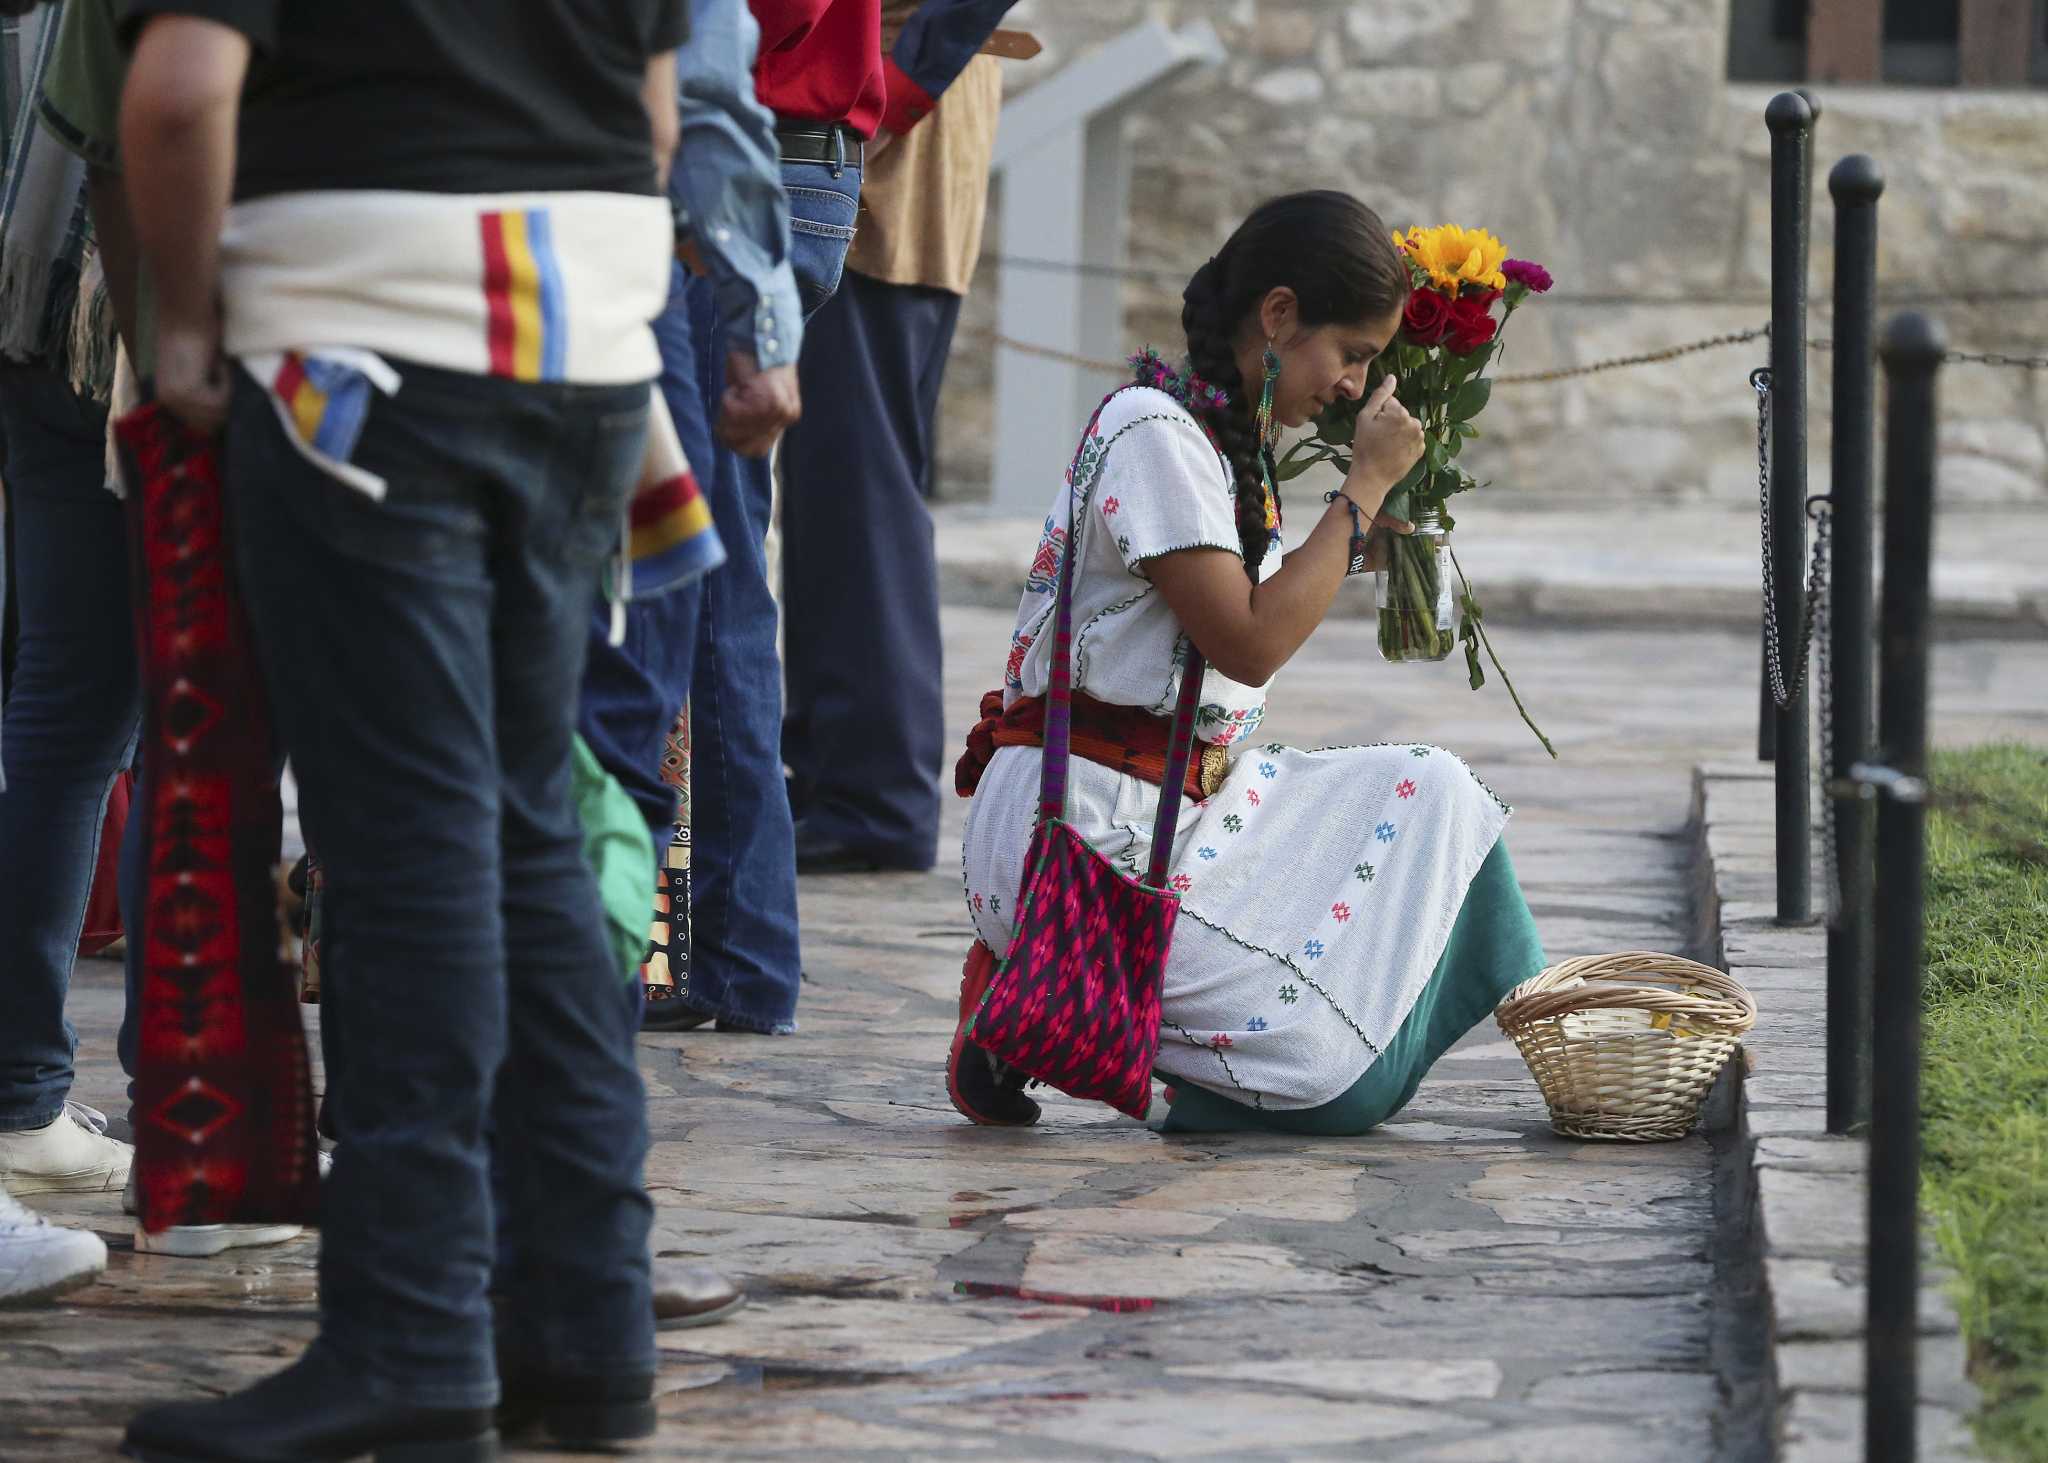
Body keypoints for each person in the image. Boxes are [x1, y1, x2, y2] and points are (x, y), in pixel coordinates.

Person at [113, 1, 683, 1457]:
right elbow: (659, 113)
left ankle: (413, 1334)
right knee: (524, 827)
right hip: (585, 340)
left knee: (413, 844)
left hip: (358, 352)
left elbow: (181, 98)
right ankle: (588, 1323)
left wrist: (184, 328)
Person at [951, 191, 1547, 1134]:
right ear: (1277, 316)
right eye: (1351, 353)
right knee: (1325, 1071)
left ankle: (1059, 1003)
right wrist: (1361, 485)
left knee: (1436, 791)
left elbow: (1251, 608)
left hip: (1177, 806)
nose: (1354, 385)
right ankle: (1042, 1003)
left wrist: (1364, 535)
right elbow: (1250, 636)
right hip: (1085, 838)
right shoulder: (1156, 433)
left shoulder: (1222, 449)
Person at [630, 0, 1017, 1033]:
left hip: (753, 143)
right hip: (789, 140)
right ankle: (726, 952)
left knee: (702, 570)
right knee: (709, 563)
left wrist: (895, 89)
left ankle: (726, 952)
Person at [780, 0, 1009, 874]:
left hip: (877, 130)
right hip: (855, 106)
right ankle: (835, 772)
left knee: (859, 483)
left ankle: (871, 795)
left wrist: (899, 83)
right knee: (831, 481)